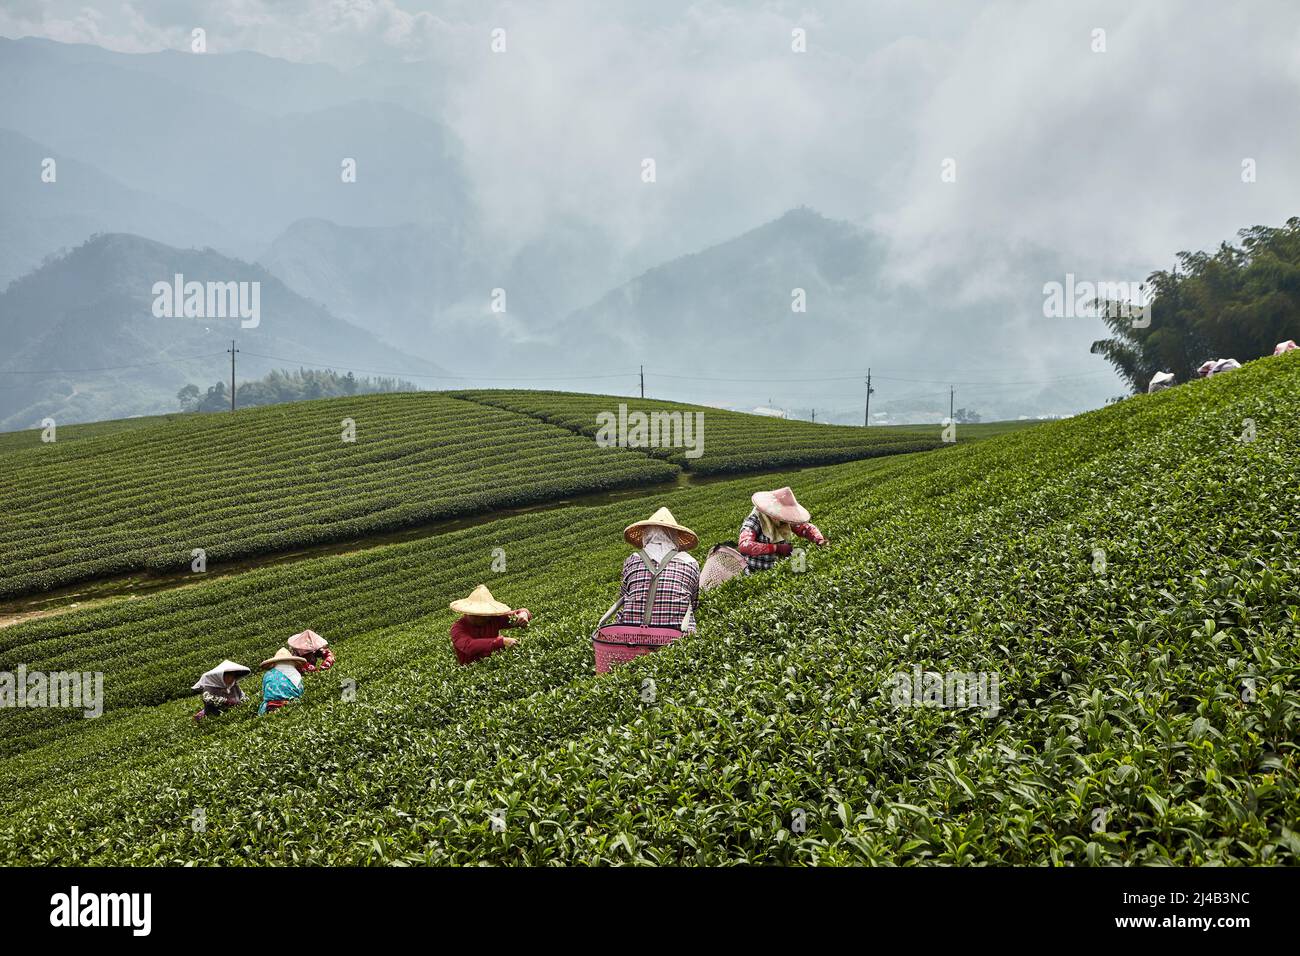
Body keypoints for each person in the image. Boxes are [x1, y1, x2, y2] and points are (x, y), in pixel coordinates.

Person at [617, 507, 700, 631]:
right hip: (677, 636)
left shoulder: (632, 560)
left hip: (631, 636)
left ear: (646, 534)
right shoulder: (690, 562)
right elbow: (693, 603)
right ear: (673, 536)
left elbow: (622, 597)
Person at [737, 486, 827, 573]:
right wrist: (776, 548)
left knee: (800, 561)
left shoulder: (783, 517)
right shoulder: (755, 520)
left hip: (779, 569)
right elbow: (745, 545)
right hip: (757, 570)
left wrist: (819, 539)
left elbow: (805, 528)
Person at [449, 584, 531, 665]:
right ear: (470, 613)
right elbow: (469, 646)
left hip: (496, 663)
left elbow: (520, 612)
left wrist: (523, 615)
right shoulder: (457, 628)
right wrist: (501, 641)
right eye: (481, 615)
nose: (486, 617)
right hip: (473, 670)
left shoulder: (492, 618)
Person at [258, 647, 308, 715]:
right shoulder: (297, 674)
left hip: (271, 709)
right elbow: (301, 692)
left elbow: (264, 693)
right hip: (293, 707)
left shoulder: (268, 675)